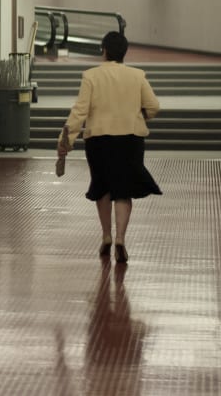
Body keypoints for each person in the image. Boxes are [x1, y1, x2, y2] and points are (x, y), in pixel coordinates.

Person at [58, 31, 161, 264]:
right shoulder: (137, 75)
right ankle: (121, 239)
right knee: (123, 190)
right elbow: (153, 106)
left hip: (99, 139)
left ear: (103, 50)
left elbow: (80, 111)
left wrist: (65, 140)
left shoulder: (91, 76)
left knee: (102, 186)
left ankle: (106, 235)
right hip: (130, 139)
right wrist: (140, 114)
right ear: (125, 52)